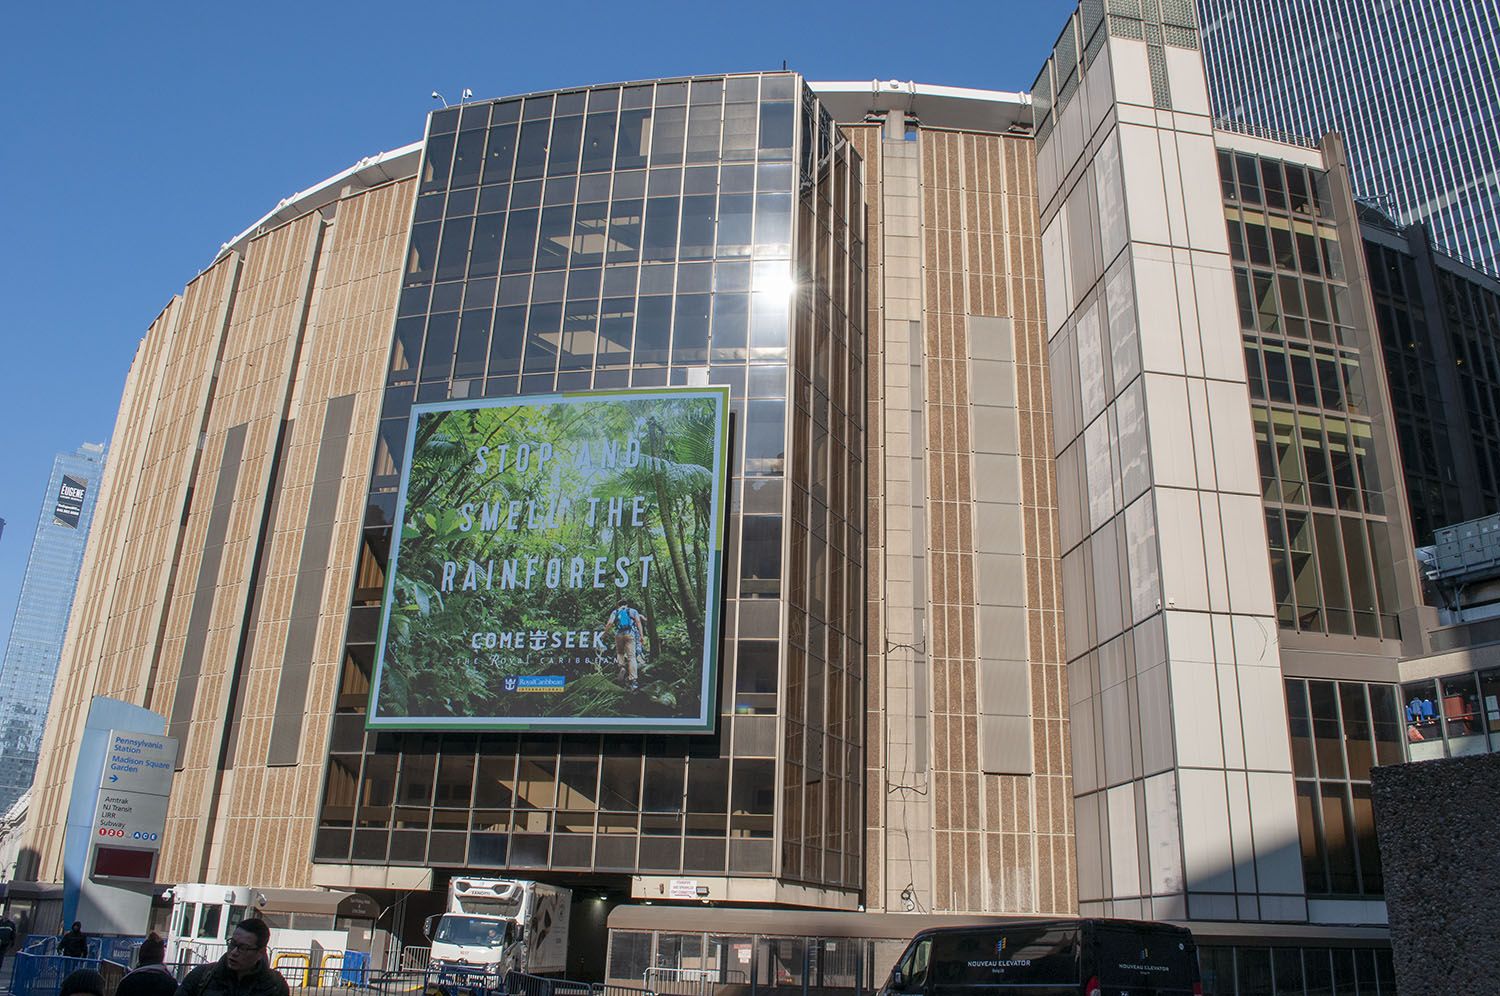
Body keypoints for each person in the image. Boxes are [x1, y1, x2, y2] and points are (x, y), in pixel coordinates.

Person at [174, 918, 288, 996]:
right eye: (233, 943)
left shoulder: (275, 986)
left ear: (260, 952)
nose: (234, 952)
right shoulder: (201, 976)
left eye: (243, 947)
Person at [603, 601, 648, 691]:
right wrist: (641, 636)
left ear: (618, 605)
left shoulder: (615, 612)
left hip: (619, 635)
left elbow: (610, 623)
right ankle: (633, 680)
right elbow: (638, 622)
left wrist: (604, 633)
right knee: (631, 657)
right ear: (626, 604)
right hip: (629, 634)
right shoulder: (632, 611)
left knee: (620, 653)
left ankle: (622, 667)